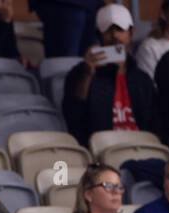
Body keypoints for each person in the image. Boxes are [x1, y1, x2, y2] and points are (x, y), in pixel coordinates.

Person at [62, 5, 159, 147]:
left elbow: (155, 123)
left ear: (131, 33)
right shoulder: (81, 73)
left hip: (141, 147)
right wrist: (87, 74)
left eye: (120, 29)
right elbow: (73, 117)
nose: (114, 36)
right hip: (103, 150)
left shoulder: (142, 79)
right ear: (99, 35)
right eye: (108, 30)